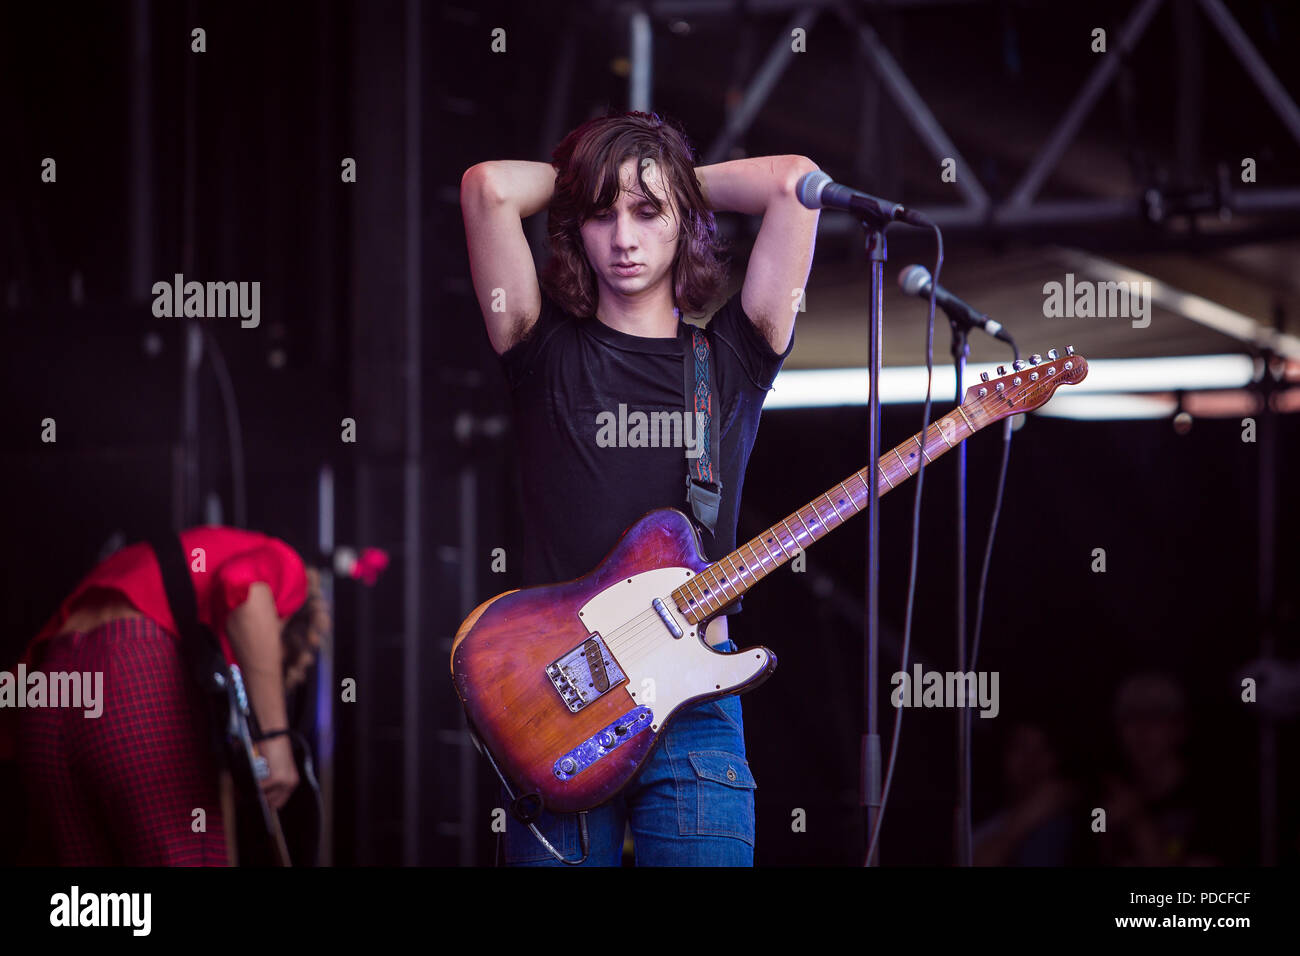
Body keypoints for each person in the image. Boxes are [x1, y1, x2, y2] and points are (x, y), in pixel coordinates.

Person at [460, 109, 819, 865]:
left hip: (694, 712)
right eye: (600, 213)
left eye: (648, 212)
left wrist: (664, 176)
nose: (623, 237)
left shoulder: (732, 358)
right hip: (558, 705)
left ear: (681, 219)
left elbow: (793, 184)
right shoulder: (541, 346)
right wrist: (611, 172)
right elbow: (489, 188)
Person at [2, 526, 329, 865]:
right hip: (127, 673)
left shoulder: (162, 565)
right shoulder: (288, 569)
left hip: (45, 690)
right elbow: (244, 589)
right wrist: (275, 740)